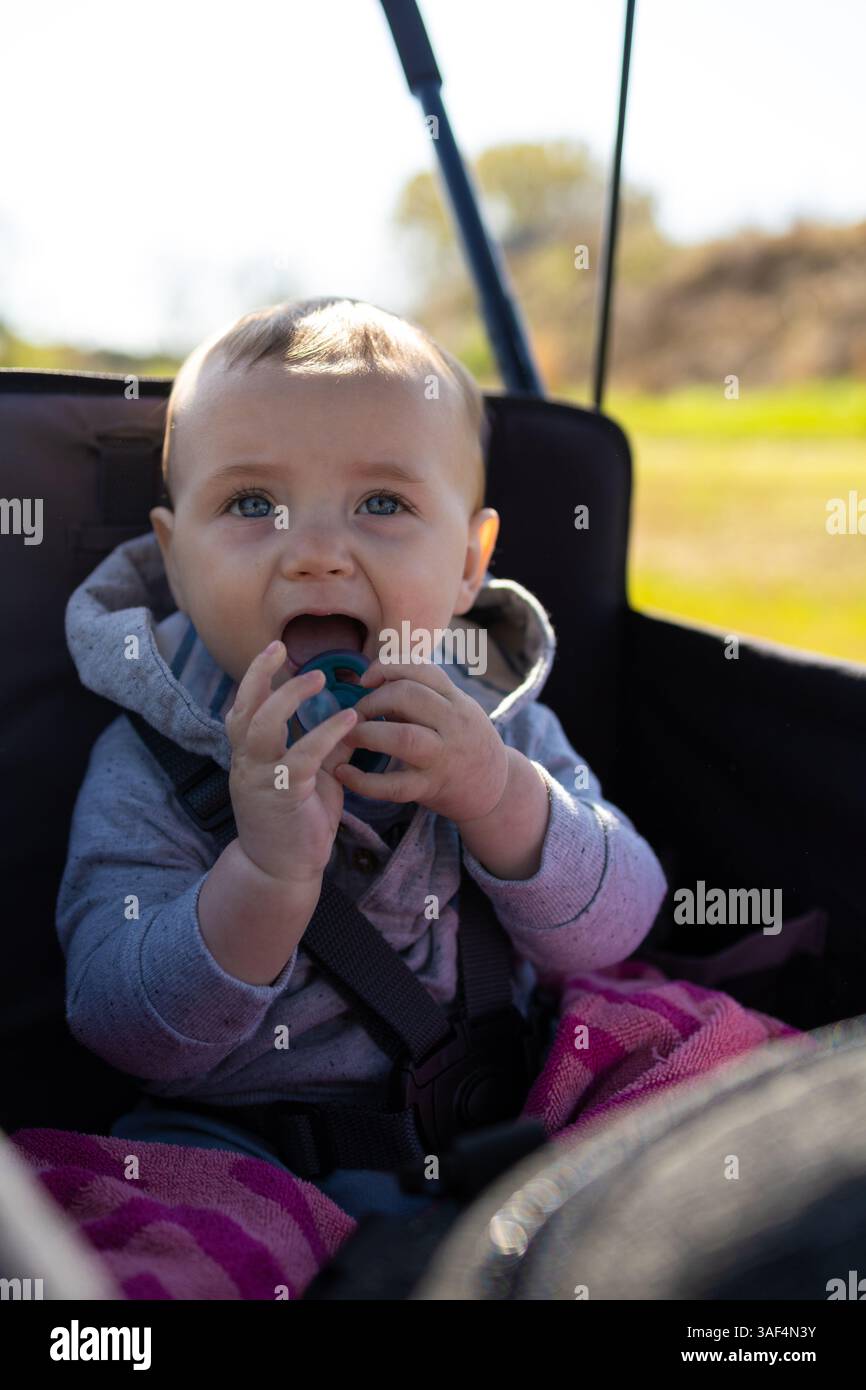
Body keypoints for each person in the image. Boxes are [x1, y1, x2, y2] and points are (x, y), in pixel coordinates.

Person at [56, 295, 667, 1222]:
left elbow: (618, 926)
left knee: (697, 1071)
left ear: (469, 563)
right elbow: (121, 1025)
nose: (315, 554)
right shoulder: (149, 755)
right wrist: (263, 873)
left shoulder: (497, 717)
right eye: (251, 503)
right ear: (174, 561)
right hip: (250, 1156)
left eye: (382, 503)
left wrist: (499, 797)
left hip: (513, 1115)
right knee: (132, 1236)